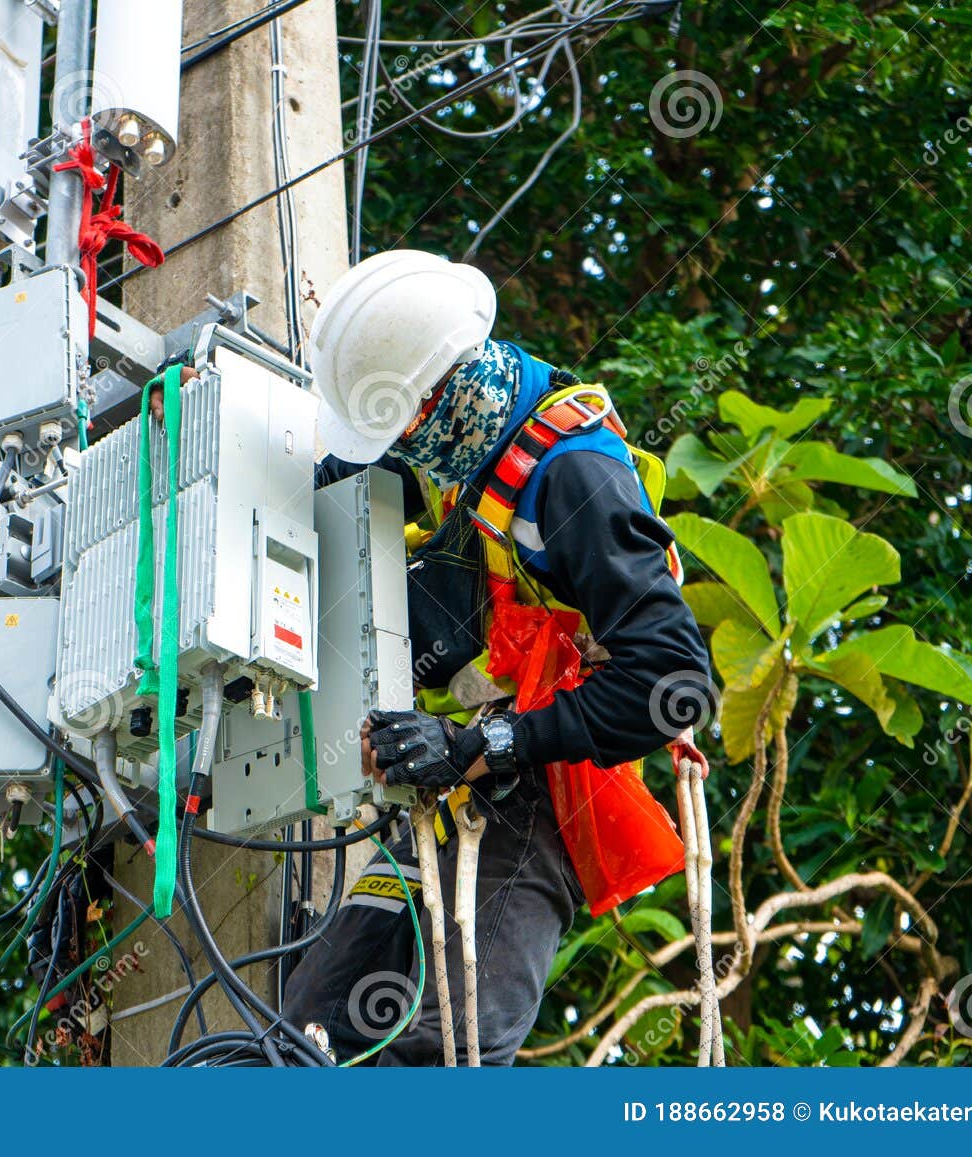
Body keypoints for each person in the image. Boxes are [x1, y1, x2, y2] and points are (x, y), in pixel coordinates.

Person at [286, 250, 714, 1065]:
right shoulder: (460, 433)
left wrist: (479, 746)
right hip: (447, 789)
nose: (400, 447)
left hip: (538, 789)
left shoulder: (572, 479)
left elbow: (675, 680)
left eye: (399, 425)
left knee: (452, 1053)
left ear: (432, 400)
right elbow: (347, 483)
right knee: (305, 1025)